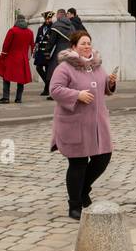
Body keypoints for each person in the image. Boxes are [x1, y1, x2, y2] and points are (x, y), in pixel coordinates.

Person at [49, 29, 117, 219]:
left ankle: (84, 189)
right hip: (75, 123)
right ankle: (75, 205)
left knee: (103, 157)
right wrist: (76, 95)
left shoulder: (95, 65)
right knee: (78, 163)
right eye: (83, 44)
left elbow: (104, 89)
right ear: (74, 47)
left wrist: (110, 83)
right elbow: (54, 89)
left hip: (97, 123)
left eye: (89, 43)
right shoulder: (65, 67)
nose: (87, 47)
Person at [0, 12, 34, 103]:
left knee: (6, 77)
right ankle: (18, 98)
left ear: (17, 20)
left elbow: (6, 44)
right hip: (23, 58)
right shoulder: (30, 32)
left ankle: (6, 97)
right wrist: (28, 57)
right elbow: (31, 46)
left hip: (11, 58)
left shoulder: (13, 30)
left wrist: (3, 55)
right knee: (21, 79)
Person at [43, 9, 75, 99]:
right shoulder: (71, 26)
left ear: (58, 15)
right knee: (68, 72)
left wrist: (47, 52)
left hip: (59, 51)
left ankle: (55, 93)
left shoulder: (56, 26)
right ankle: (67, 92)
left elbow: (51, 41)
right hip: (70, 51)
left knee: (55, 72)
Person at [34, 12, 55, 95]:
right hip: (40, 52)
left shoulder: (53, 28)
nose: (47, 20)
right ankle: (48, 84)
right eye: (46, 19)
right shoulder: (41, 28)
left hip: (48, 52)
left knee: (47, 70)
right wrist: (35, 51)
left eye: (49, 19)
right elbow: (37, 40)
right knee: (38, 68)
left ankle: (46, 89)